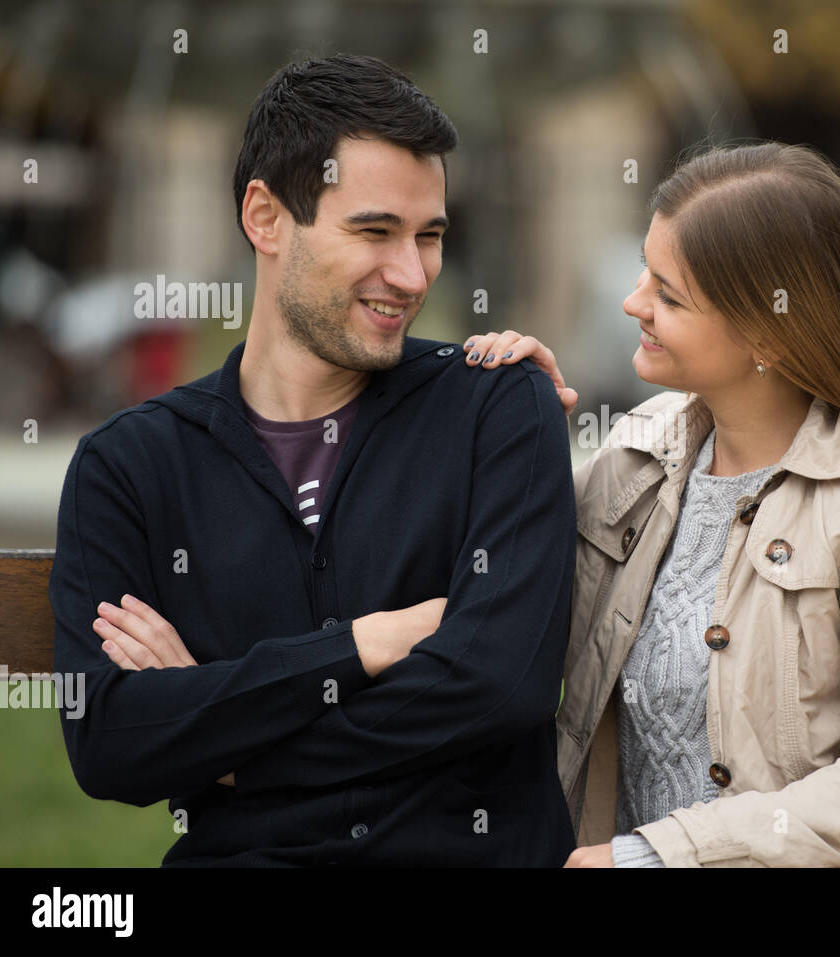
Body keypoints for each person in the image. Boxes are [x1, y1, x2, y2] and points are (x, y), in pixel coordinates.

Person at [49, 53, 579, 866]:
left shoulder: (498, 404)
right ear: (264, 217)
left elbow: (503, 684)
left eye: (429, 236)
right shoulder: (128, 466)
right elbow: (112, 739)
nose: (410, 275)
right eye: (373, 230)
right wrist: (366, 644)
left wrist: (224, 745)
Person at [461, 141, 840, 867]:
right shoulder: (638, 454)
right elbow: (494, 596)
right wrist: (506, 421)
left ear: (770, 333)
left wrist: (656, 856)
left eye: (668, 293)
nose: (632, 302)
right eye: (644, 271)